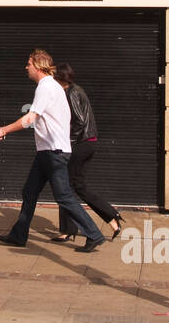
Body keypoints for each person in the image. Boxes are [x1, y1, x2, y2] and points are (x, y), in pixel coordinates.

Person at [0, 49, 106, 252]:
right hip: (48, 150)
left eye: (28, 63)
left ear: (37, 66)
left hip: (53, 152)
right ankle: (19, 235)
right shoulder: (54, 87)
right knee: (29, 191)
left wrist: (4, 129)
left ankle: (94, 233)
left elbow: (30, 118)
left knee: (63, 196)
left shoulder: (45, 87)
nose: (26, 67)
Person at [51, 63, 126, 243]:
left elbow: (80, 121)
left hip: (81, 144)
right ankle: (111, 217)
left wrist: (67, 142)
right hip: (88, 143)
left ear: (60, 78)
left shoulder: (72, 93)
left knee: (65, 187)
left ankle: (68, 230)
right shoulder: (74, 90)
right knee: (78, 186)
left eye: (54, 76)